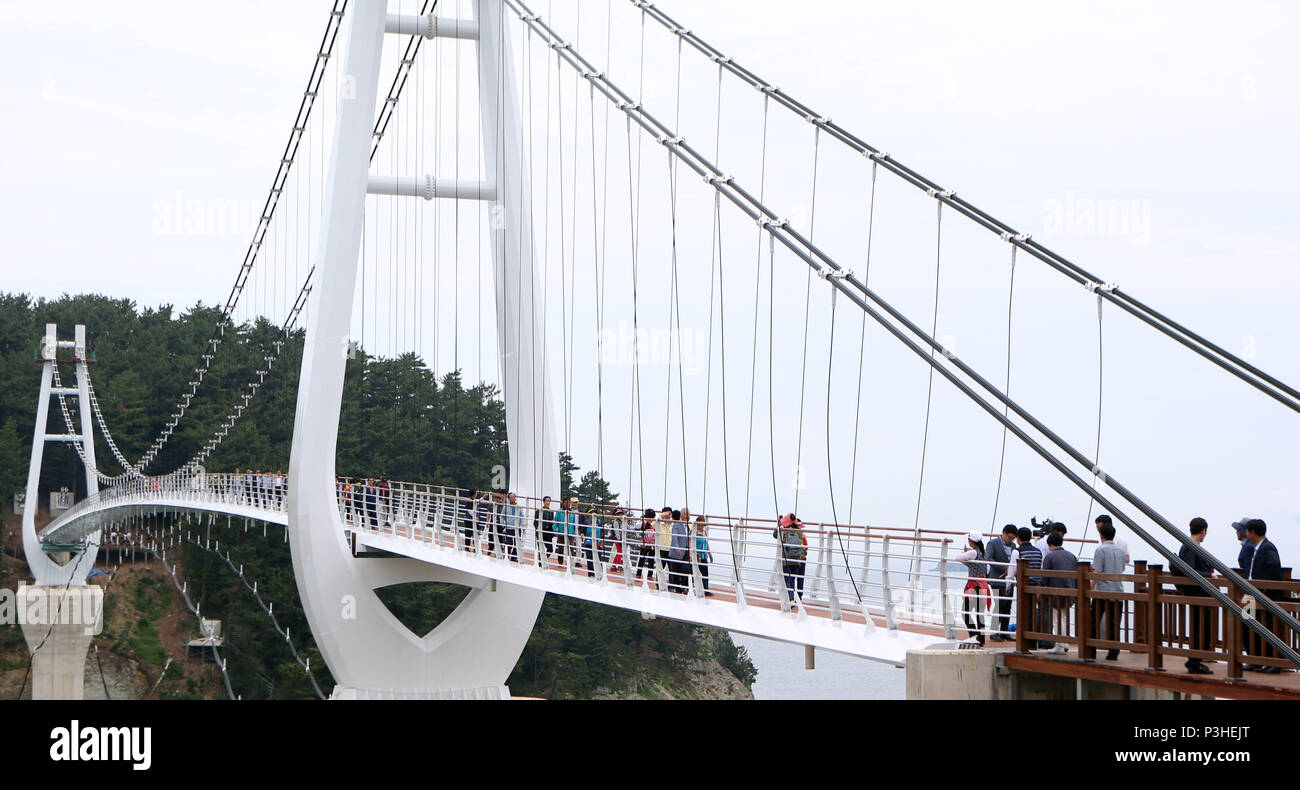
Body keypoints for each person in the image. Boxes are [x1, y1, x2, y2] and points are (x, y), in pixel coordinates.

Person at [1243, 519, 1284, 673]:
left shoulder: (1267, 547)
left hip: (1265, 596)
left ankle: (1271, 662)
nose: (1246, 534)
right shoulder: (1259, 547)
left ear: (1252, 532)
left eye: (1247, 531)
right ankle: (1255, 659)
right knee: (1247, 621)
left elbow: (1274, 565)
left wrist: (1265, 587)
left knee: (1268, 628)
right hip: (1254, 595)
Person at [1175, 517, 1214, 674]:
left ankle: (1195, 660)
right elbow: (1190, 571)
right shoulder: (1190, 547)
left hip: (1199, 594)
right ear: (1203, 531)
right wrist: (1210, 576)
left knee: (1202, 627)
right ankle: (1194, 662)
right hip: (1197, 594)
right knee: (1201, 627)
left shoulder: (1189, 545)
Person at [1091, 521, 1128, 662]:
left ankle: (1092, 650)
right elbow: (1122, 569)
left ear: (1101, 535)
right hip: (1118, 590)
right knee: (1114, 623)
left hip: (1102, 591)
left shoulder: (1100, 550)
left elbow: (1097, 571)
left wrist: (1090, 586)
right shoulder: (1120, 551)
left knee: (1095, 621)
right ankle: (1113, 652)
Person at [1039, 532, 1078, 653]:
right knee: (1064, 617)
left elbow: (1044, 576)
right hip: (1070, 591)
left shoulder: (1050, 557)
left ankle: (1060, 645)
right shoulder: (1072, 556)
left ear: (1050, 544)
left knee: (1056, 619)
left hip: (1055, 593)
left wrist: (1040, 589)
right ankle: (1064, 642)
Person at [955, 531, 991, 646]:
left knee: (965, 612)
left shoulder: (973, 552)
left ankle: (974, 636)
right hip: (983, 585)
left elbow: (958, 557)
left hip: (974, 586)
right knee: (980, 614)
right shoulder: (984, 553)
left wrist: (965, 558)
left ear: (971, 541)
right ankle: (981, 639)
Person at [985, 524, 1019, 640]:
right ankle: (994, 632)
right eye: (1009, 537)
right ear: (1003, 533)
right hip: (997, 579)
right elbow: (988, 558)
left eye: (1013, 538)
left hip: (1010, 580)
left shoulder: (1014, 545)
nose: (1011, 540)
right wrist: (1003, 568)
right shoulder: (993, 543)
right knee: (999, 605)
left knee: (1007, 605)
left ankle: (1004, 632)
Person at [1015, 527, 1044, 648]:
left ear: (1018, 538)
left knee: (1023, 613)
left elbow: (1012, 569)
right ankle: (1033, 641)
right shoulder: (1038, 552)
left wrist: (1009, 584)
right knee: (1033, 613)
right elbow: (1041, 569)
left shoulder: (1017, 551)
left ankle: (1025, 642)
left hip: (1024, 586)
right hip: (1036, 586)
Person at [773, 513, 808, 605]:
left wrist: (778, 525)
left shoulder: (784, 531)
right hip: (797, 559)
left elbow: (775, 534)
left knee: (787, 579)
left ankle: (791, 599)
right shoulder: (800, 532)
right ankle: (797, 599)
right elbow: (805, 546)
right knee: (793, 579)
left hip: (786, 559)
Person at [668, 510, 690, 593]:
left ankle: (685, 587)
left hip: (686, 551)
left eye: (688, 514)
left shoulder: (689, 525)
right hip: (676, 552)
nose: (687, 516)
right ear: (681, 515)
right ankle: (677, 589)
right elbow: (674, 538)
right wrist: (677, 548)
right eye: (685, 514)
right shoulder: (677, 524)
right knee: (675, 571)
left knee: (685, 569)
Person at [636, 509, 658, 586]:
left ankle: (638, 574)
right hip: (652, 544)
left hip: (644, 543)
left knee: (642, 559)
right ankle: (650, 575)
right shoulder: (655, 523)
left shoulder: (643, 522)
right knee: (651, 560)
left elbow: (637, 528)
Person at [694, 516, 713, 596]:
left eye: (702, 525)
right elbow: (692, 543)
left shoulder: (705, 532)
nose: (701, 526)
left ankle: (705, 589)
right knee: (697, 573)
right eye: (699, 525)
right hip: (697, 556)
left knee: (705, 573)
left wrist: (710, 554)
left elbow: (706, 544)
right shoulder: (694, 532)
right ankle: (697, 589)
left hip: (704, 555)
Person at [498, 492, 520, 562]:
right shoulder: (506, 506)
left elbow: (522, 516)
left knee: (517, 543)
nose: (513, 498)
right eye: (511, 497)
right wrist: (502, 522)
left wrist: (523, 524)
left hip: (517, 527)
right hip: (509, 527)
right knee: (509, 542)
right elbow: (501, 515)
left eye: (514, 497)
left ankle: (514, 557)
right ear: (509, 498)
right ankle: (506, 555)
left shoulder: (518, 506)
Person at [535, 496, 555, 561]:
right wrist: (537, 528)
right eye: (546, 501)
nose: (548, 502)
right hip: (540, 531)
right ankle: (541, 561)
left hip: (548, 532)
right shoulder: (539, 511)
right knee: (540, 548)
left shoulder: (551, 511)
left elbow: (552, 521)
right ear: (543, 502)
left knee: (550, 549)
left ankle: (543, 560)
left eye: (549, 501)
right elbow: (535, 521)